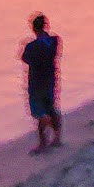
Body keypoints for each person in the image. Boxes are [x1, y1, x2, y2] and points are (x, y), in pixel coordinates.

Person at [21, 14, 63, 155]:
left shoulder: (32, 46)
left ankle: (43, 143)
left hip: (36, 82)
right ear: (46, 26)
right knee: (50, 107)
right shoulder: (55, 41)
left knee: (40, 113)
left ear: (33, 28)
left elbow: (25, 59)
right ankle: (56, 138)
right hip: (51, 80)